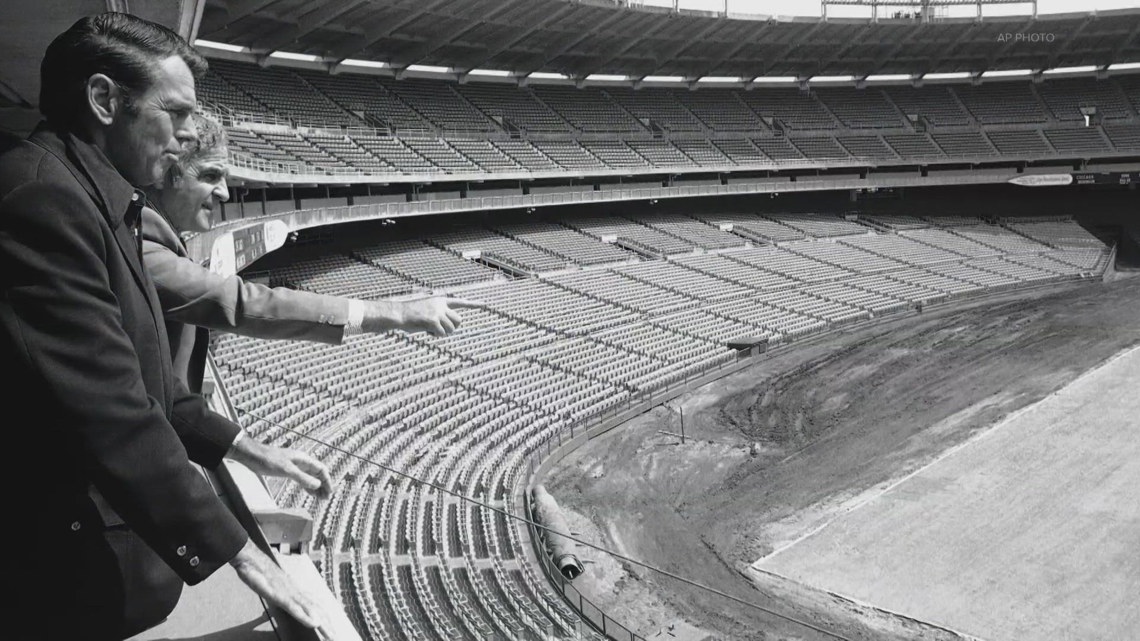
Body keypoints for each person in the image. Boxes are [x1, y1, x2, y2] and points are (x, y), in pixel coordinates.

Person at [0, 13, 340, 640]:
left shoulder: (99, 199)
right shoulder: (41, 200)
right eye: (177, 112)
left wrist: (250, 448)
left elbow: (150, 380)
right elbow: (109, 409)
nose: (188, 135)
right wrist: (248, 558)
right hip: (50, 576)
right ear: (104, 99)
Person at [140, 111, 482, 393]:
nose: (227, 194)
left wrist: (244, 446)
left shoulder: (158, 237)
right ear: (162, 172)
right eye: (210, 175)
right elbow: (245, 303)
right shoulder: (142, 244)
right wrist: (401, 314)